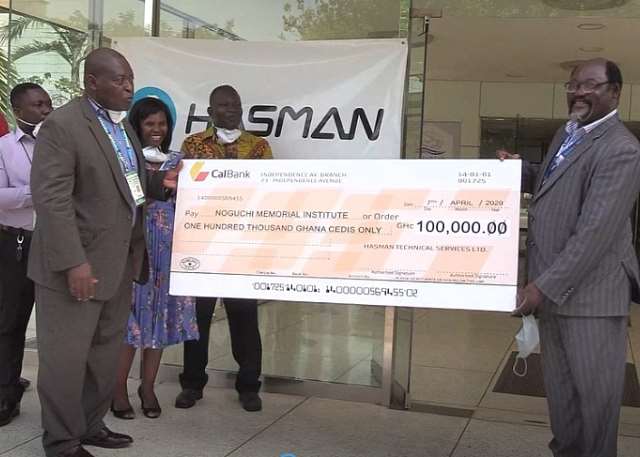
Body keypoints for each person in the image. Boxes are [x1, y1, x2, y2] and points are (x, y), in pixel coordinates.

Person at [28, 48, 179, 457]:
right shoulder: (63, 126)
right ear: (92, 82)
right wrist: (73, 262)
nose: (129, 87)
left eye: (130, 78)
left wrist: (160, 183)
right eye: (119, 80)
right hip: (75, 269)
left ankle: (90, 425)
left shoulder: (121, 126)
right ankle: (62, 442)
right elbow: (52, 200)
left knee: (102, 355)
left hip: (119, 265)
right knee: (65, 361)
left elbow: (126, 182)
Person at [498, 58, 640, 457]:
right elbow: (557, 182)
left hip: (592, 299)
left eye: (590, 85)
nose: (578, 92)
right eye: (573, 85)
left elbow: (595, 233)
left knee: (594, 406)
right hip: (554, 292)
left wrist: (540, 288)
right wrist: (522, 172)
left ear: (615, 92)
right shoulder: (567, 133)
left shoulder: (622, 149)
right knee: (562, 399)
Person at [175, 84, 271, 412]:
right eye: (223, 105)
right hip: (201, 245)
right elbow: (184, 191)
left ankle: (249, 386)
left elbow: (267, 192)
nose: (231, 110)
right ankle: (192, 384)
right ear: (210, 111)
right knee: (198, 318)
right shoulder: (193, 145)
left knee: (244, 318)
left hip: (240, 247)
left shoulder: (258, 147)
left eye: (236, 105)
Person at [111, 96, 198, 420]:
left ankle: (147, 388)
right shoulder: (124, 160)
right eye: (149, 123)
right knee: (129, 324)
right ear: (137, 126)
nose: (157, 129)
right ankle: (118, 388)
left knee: (159, 321)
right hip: (133, 252)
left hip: (168, 253)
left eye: (162, 123)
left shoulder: (180, 162)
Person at [0, 83, 52, 427]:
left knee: (56, 325)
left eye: (48, 103)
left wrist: (24, 194)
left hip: (55, 243)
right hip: (16, 244)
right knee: (11, 322)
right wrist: (40, 193)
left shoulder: (61, 145)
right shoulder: (4, 147)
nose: (46, 110)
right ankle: (6, 394)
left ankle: (60, 403)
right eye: (38, 105)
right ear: (18, 111)